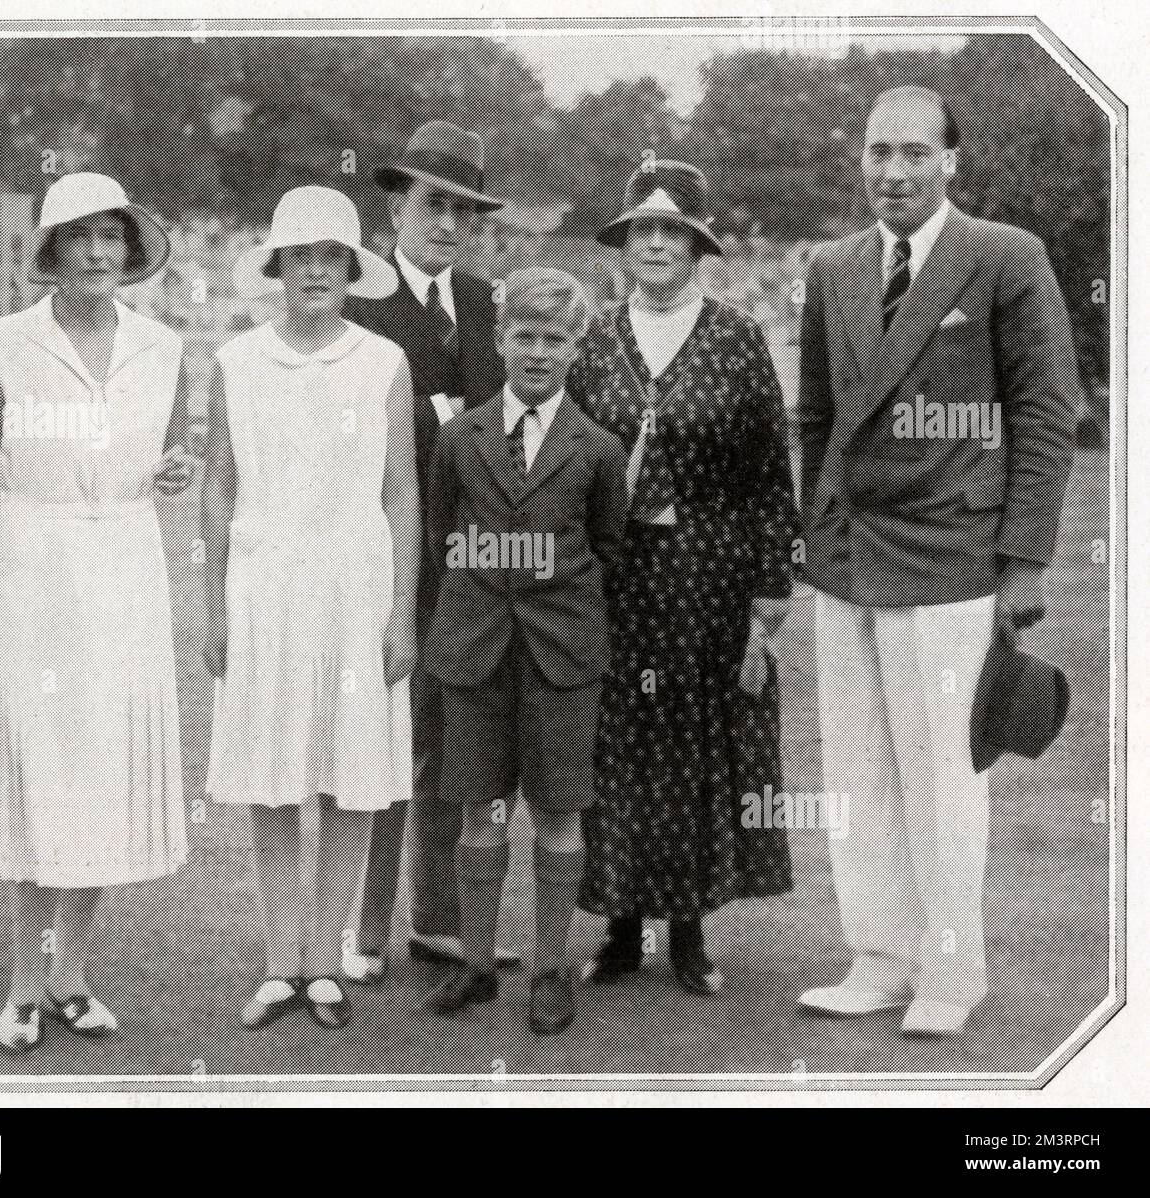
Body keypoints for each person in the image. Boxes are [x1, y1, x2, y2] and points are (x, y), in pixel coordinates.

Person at [796, 87, 1081, 1036]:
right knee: (859, 769)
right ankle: (879, 957)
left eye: (916, 153)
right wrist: (815, 528)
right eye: (879, 153)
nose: (894, 172)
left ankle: (952, 974)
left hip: (954, 554)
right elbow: (818, 417)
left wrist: (1025, 561)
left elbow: (1045, 411)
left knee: (944, 772)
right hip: (848, 557)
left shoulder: (1004, 256)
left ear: (952, 162)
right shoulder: (833, 265)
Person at [0, 172, 194, 1054]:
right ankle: (23, 984)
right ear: (50, 252)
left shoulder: (162, 347)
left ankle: (70, 977)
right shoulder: (0, 344)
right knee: (42, 774)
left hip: (126, 569)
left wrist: (171, 473)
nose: (98, 253)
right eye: (80, 237)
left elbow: (163, 455)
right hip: (33, 571)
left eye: (111, 238)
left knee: (105, 777)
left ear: (130, 251)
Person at [569, 161, 799, 995]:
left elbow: (771, 471)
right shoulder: (592, 337)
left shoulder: (736, 338)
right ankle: (622, 928)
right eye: (644, 229)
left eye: (675, 231)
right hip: (616, 582)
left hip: (710, 576)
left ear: (698, 246)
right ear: (625, 242)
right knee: (618, 748)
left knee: (693, 751)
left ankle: (691, 931)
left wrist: (772, 591)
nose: (658, 243)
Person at [203, 186, 417, 1030]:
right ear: (280, 270)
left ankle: (326, 963)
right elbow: (219, 487)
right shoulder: (237, 361)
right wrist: (215, 607)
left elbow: (401, 493)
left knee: (351, 779)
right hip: (265, 590)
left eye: (331, 257)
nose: (316, 271)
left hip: (357, 590)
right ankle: (279, 961)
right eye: (302, 258)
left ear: (351, 270)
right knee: (271, 777)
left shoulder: (382, 361)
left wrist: (402, 614)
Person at [421, 267, 628, 1033]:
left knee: (559, 817)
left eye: (555, 339)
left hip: (562, 657)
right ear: (500, 339)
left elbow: (607, 546)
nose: (537, 353)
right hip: (476, 650)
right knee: (479, 811)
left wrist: (547, 587)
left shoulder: (599, 448)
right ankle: (476, 966)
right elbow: (446, 537)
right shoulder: (459, 436)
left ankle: (549, 970)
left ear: (578, 348)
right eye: (524, 337)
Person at [342, 121, 515, 982]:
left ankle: (440, 921)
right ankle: (364, 930)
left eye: (462, 210)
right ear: (397, 207)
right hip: (386, 558)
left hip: (481, 570)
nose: (447, 224)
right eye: (431, 205)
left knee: (461, 744)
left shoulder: (492, 307)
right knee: (380, 744)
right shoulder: (355, 307)